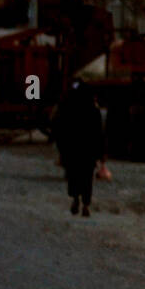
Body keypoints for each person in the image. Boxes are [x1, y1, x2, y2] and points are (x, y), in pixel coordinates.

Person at [52, 80, 105, 217]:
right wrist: (100, 154)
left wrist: (62, 150)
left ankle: (75, 199)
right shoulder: (94, 110)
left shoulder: (68, 108)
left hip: (72, 150)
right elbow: (98, 133)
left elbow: (60, 129)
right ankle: (86, 204)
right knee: (87, 178)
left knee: (73, 176)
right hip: (88, 152)